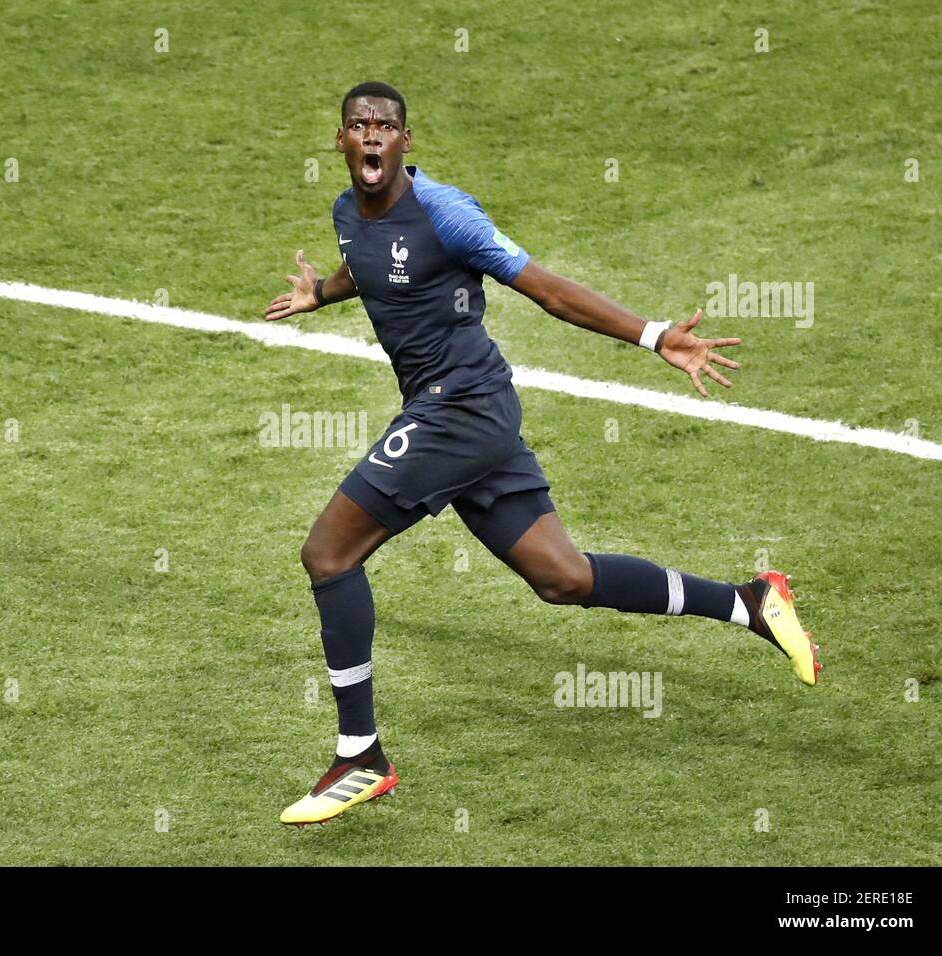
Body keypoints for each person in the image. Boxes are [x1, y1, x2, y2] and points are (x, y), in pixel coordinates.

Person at [264, 81, 818, 828]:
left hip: (459, 411)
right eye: (358, 126)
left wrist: (656, 336)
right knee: (563, 578)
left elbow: (548, 291)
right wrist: (322, 296)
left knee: (328, 554)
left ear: (405, 142)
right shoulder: (345, 215)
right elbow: (369, 267)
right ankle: (750, 602)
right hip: (464, 414)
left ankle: (360, 754)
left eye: (385, 127)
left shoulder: (447, 214)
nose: (371, 137)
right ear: (339, 141)